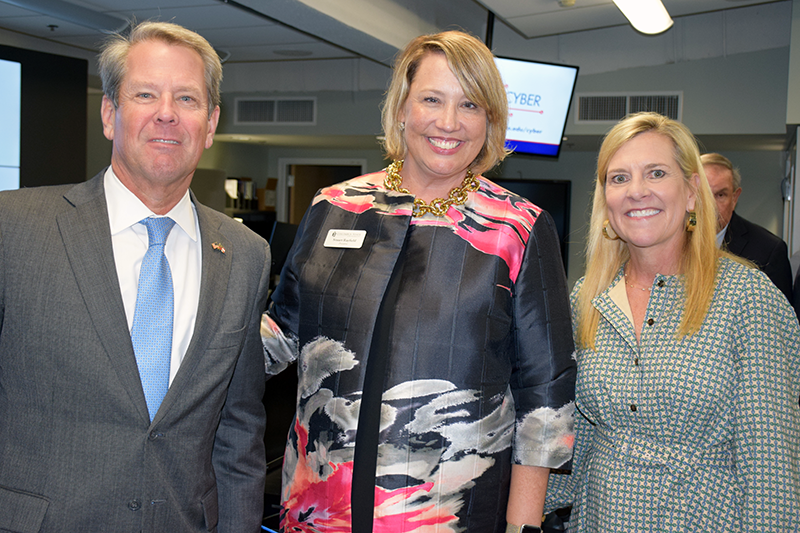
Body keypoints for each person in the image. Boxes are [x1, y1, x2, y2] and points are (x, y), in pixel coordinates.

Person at [261, 30, 576, 533]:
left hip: (450, 513)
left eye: (469, 104)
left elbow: (546, 399)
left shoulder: (518, 229)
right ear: (402, 108)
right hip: (318, 510)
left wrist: (523, 527)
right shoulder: (334, 207)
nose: (448, 123)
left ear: (489, 119)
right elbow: (280, 338)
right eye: (432, 99)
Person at [0, 21, 270, 532]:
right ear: (110, 114)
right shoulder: (13, 230)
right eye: (145, 93)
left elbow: (238, 434)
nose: (166, 112)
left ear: (210, 124)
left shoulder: (245, 255)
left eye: (187, 99)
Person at [545, 112, 800, 531]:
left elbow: (771, 471)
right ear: (605, 199)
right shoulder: (588, 298)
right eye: (619, 178)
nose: (636, 192)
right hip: (599, 519)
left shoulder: (748, 299)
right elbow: (582, 437)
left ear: (692, 192)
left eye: (656, 173)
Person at [700, 152, 793, 302]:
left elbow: (779, 321)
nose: (710, 205)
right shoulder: (669, 242)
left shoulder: (769, 250)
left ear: (735, 198)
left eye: (720, 195)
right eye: (702, 194)